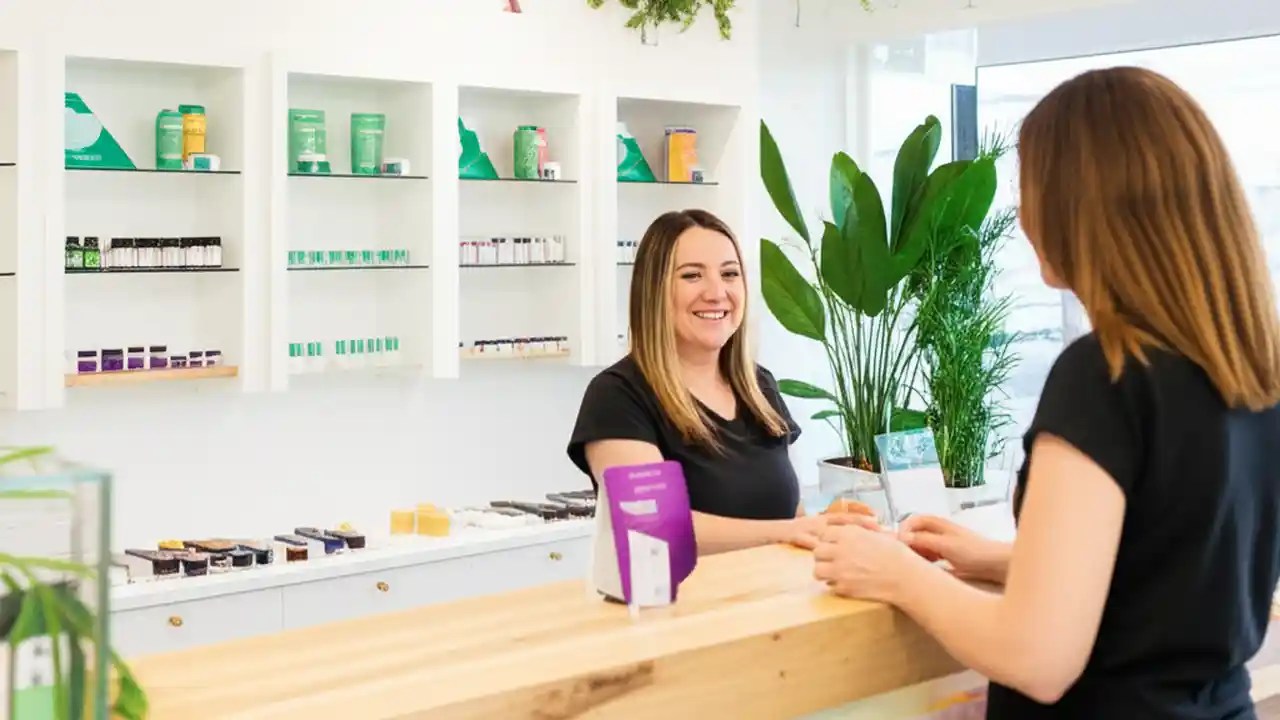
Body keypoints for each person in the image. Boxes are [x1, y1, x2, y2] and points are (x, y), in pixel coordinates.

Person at [811, 66, 1280, 718]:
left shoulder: (1106, 374)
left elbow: (1039, 658)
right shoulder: (1252, 368)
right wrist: (1009, 563)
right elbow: (1169, 576)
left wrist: (897, 574)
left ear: (1082, 206)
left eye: (1030, 188)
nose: (1022, 214)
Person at [566, 209, 861, 554]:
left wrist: (828, 524)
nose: (716, 292)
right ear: (654, 290)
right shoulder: (618, 396)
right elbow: (655, 526)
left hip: (776, 601)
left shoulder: (759, 386)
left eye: (730, 274)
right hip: (681, 605)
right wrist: (790, 530)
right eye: (692, 276)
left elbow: (788, 515)